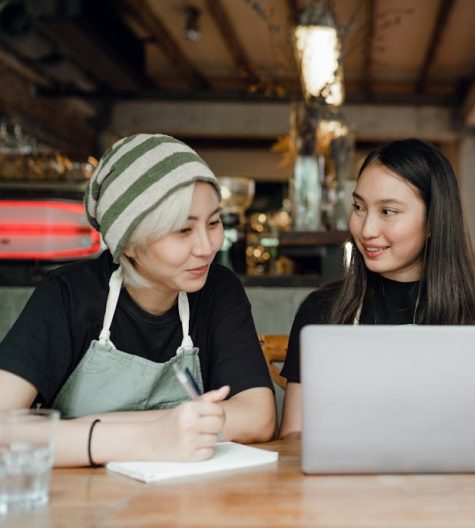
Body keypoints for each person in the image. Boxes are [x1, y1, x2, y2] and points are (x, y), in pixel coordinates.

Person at [0, 133, 276, 466]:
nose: (207, 246)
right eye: (183, 230)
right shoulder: (68, 294)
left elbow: (257, 417)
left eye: (213, 222)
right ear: (128, 243)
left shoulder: (217, 289)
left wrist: (75, 432)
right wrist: (151, 437)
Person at [279, 138, 475, 439]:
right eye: (358, 207)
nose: (366, 229)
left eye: (388, 212)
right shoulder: (321, 310)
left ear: (434, 222)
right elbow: (294, 435)